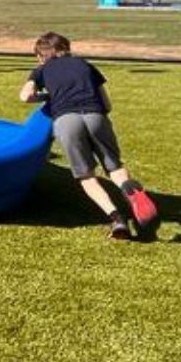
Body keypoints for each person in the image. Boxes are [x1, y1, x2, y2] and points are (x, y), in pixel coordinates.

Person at [19, 32, 159, 240]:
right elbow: (107, 104)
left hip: (66, 120)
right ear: (66, 48)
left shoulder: (42, 69)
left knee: (86, 176)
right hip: (95, 115)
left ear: (41, 55)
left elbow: (25, 96)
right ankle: (130, 190)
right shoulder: (85, 65)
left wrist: (49, 95)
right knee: (115, 168)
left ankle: (117, 219)